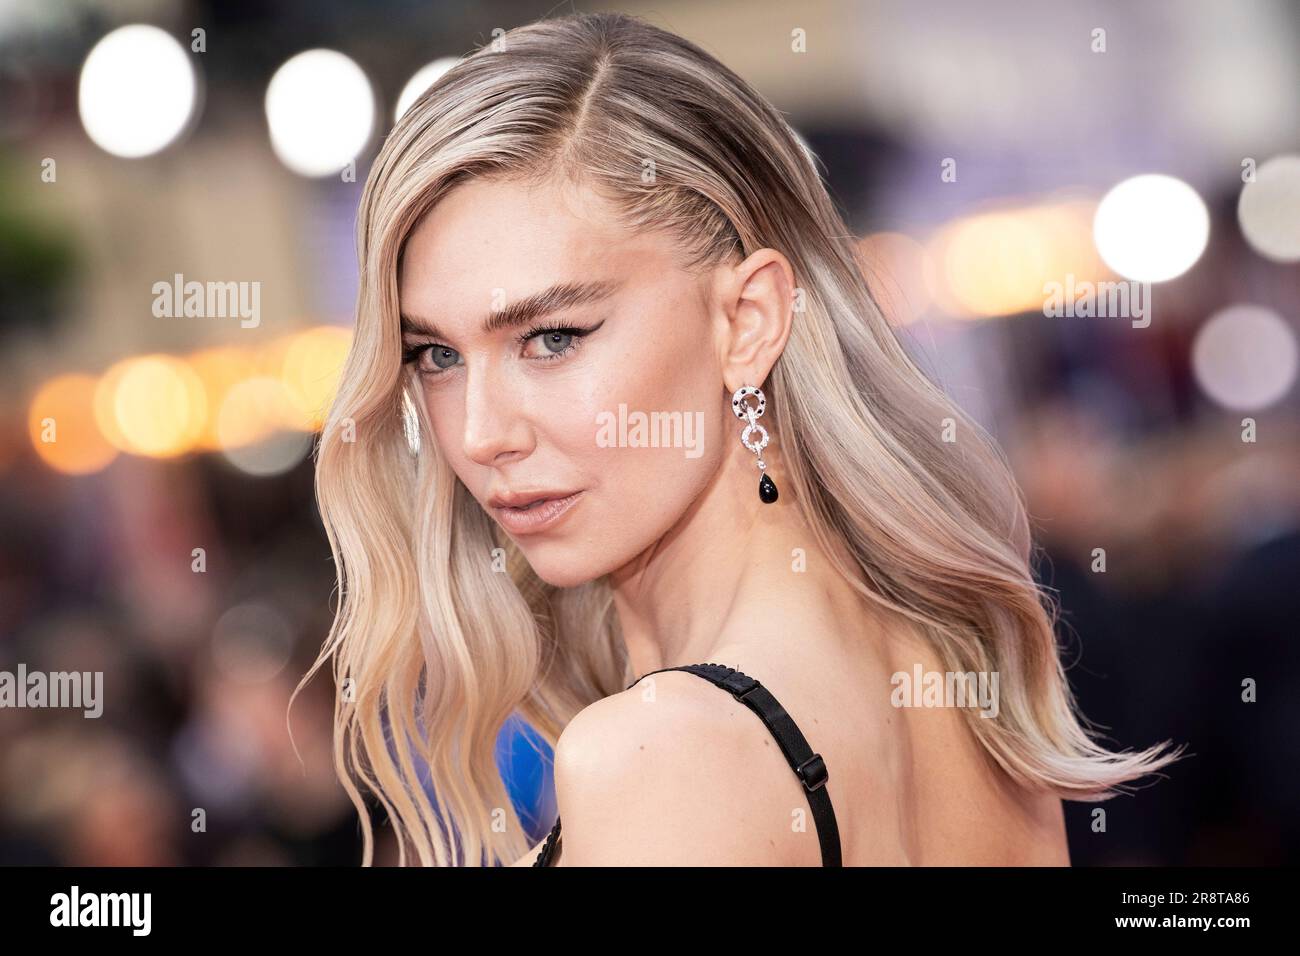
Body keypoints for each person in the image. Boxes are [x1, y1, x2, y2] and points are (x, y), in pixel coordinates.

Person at [299, 11, 1183, 866]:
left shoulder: (662, 756)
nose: (481, 433)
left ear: (748, 319)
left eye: (553, 338)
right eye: (436, 356)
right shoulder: (951, 658)